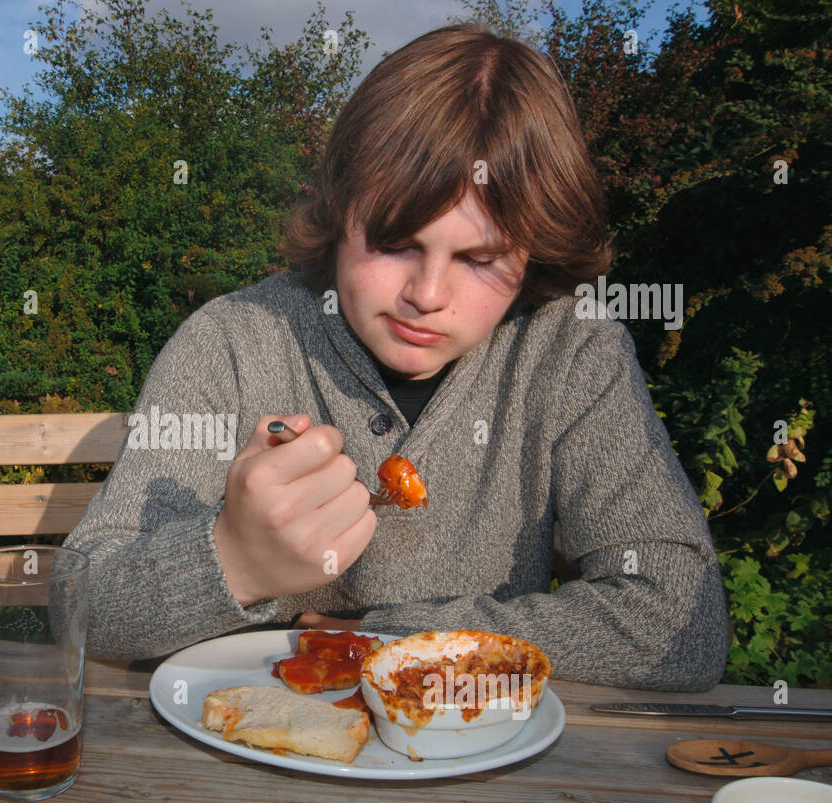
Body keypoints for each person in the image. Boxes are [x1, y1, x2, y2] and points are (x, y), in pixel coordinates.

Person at [62, 24, 730, 691]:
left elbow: (679, 628)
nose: (427, 295)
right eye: (394, 242)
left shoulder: (572, 350)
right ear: (339, 205)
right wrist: (233, 560)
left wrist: (388, 642)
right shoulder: (231, 341)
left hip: (479, 778)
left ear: (534, 253)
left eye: (480, 258)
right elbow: (81, 607)